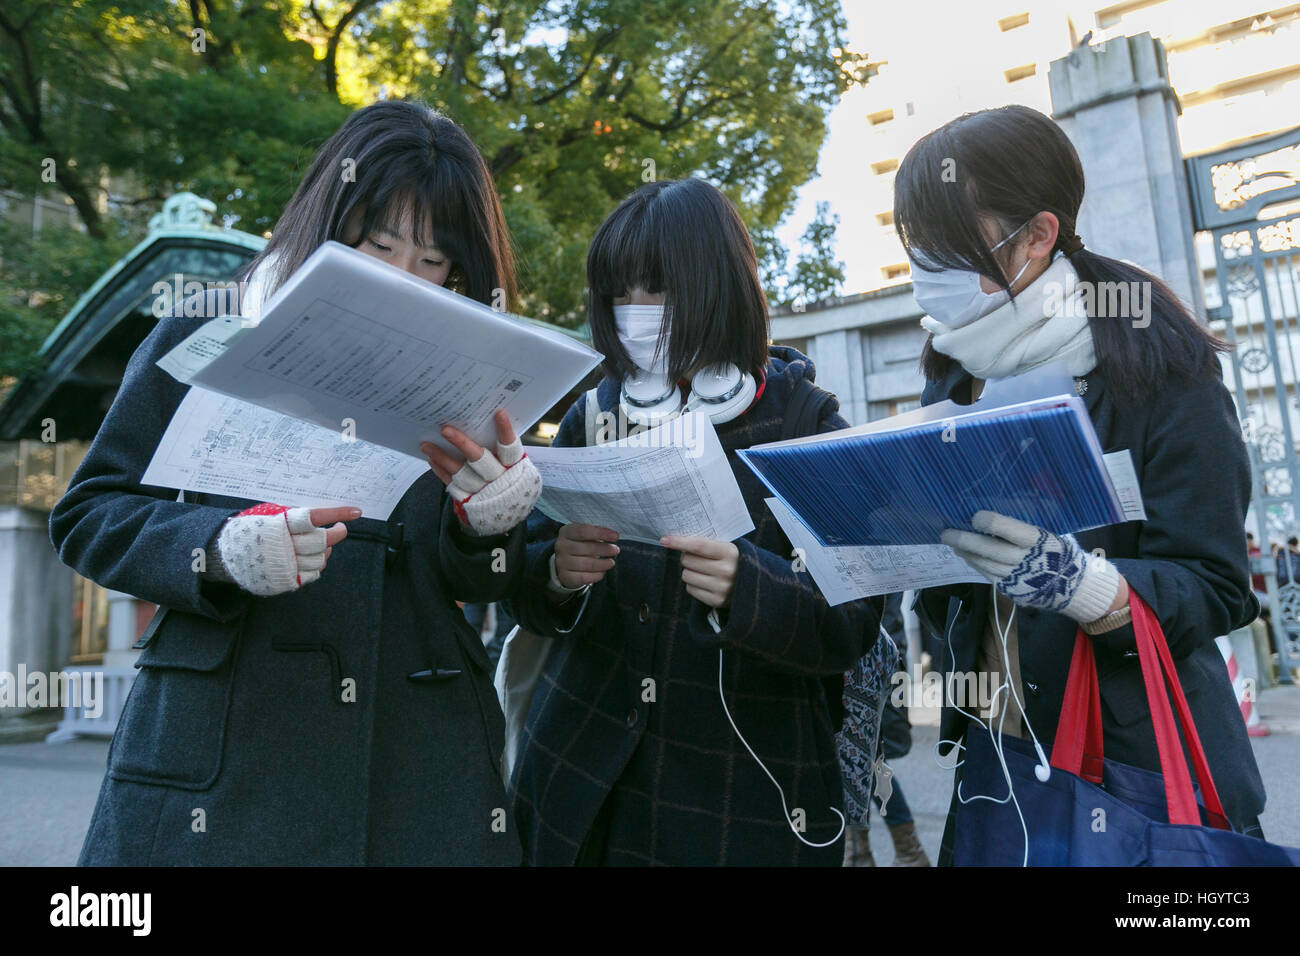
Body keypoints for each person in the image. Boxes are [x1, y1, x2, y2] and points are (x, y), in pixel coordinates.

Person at [50, 100, 537, 865]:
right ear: (330, 216)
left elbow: (480, 578)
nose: (402, 278)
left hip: (415, 736)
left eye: (432, 262)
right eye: (379, 244)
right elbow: (89, 512)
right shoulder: (210, 323)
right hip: (227, 731)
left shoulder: (464, 366)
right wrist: (218, 549)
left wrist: (488, 524)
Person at [895, 104, 1266, 863]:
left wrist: (1094, 591)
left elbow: (1218, 583)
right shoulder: (956, 372)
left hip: (1136, 763)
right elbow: (951, 606)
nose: (926, 271)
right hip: (996, 759)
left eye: (948, 246)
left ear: (1036, 235)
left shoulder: (1162, 371)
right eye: (916, 246)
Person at [507, 178, 881, 866]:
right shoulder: (594, 416)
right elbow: (524, 585)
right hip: (581, 783)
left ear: (720, 287)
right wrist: (557, 571)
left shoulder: (808, 423)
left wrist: (750, 584)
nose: (636, 313)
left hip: (744, 800)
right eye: (620, 293)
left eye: (660, 289)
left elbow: (854, 622)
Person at [842, 592, 931, 867]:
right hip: (865, 664)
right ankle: (867, 852)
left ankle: (901, 851)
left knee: (864, 761)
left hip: (866, 667)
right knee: (860, 762)